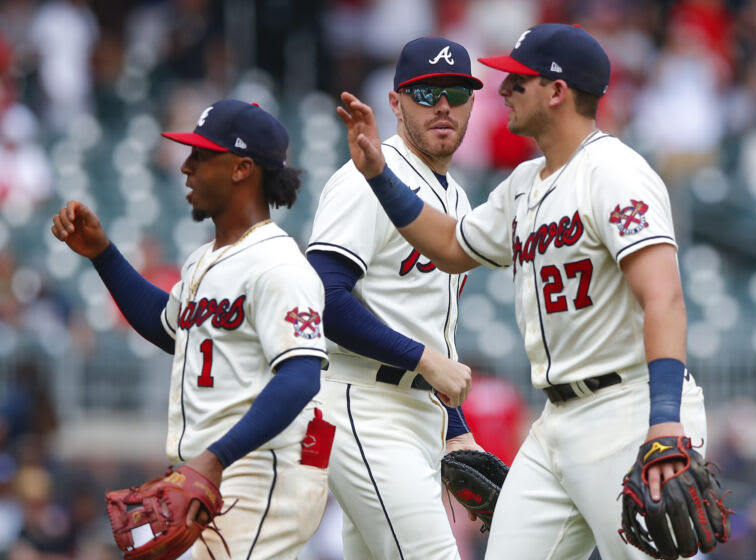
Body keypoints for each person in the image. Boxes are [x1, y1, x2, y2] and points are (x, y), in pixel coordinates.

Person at [337, 23, 710, 560]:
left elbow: (664, 298)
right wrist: (378, 175)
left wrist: (666, 419)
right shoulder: (523, 183)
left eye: (518, 81)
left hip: (628, 410)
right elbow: (449, 243)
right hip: (556, 422)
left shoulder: (615, 173)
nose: (503, 90)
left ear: (556, 92)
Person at [51, 99, 333, 560]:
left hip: (259, 472)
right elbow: (169, 328)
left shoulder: (280, 266)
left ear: (242, 168)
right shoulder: (205, 260)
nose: (185, 167)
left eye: (200, 156)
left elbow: (302, 377)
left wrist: (215, 458)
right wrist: (102, 255)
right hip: (217, 471)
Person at [305, 37, 482, 560]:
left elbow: (429, 325)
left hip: (416, 411)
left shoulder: (457, 196)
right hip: (362, 405)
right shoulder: (367, 178)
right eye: (427, 93)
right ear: (395, 102)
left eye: (456, 92)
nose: (444, 106)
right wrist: (426, 361)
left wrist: (455, 429)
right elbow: (324, 298)